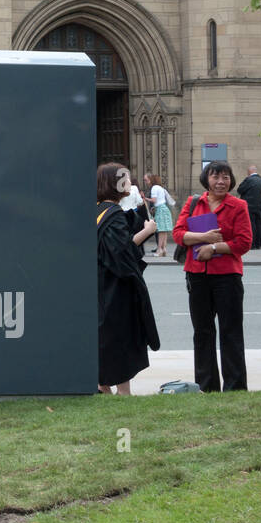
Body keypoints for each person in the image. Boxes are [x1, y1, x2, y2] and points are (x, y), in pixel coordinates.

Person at [173, 160, 253, 392]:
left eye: (225, 177)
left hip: (227, 276)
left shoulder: (238, 206)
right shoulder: (193, 202)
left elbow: (244, 242)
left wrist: (216, 248)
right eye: (215, 177)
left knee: (231, 330)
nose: (220, 182)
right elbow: (178, 235)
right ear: (206, 179)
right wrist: (204, 238)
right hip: (196, 275)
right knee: (203, 331)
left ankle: (235, 386)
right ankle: (206, 386)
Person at [95, 164, 161, 395]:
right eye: (124, 179)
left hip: (102, 284)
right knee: (119, 336)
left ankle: (107, 385)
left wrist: (139, 215)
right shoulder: (111, 215)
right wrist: (147, 231)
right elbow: (120, 251)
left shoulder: (100, 210)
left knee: (110, 337)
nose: (130, 182)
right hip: (115, 288)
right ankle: (117, 389)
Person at [142, 173, 175, 258]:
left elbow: (154, 200)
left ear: (151, 179)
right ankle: (164, 249)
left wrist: (144, 198)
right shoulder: (160, 187)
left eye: (146, 180)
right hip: (164, 208)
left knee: (160, 230)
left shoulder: (154, 188)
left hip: (160, 209)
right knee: (164, 231)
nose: (146, 182)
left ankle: (159, 249)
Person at [237, 165, 261, 251]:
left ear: (249, 172)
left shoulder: (249, 179)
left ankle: (252, 244)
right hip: (258, 206)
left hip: (248, 206)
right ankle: (258, 244)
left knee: (251, 225)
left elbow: (240, 189)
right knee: (258, 225)